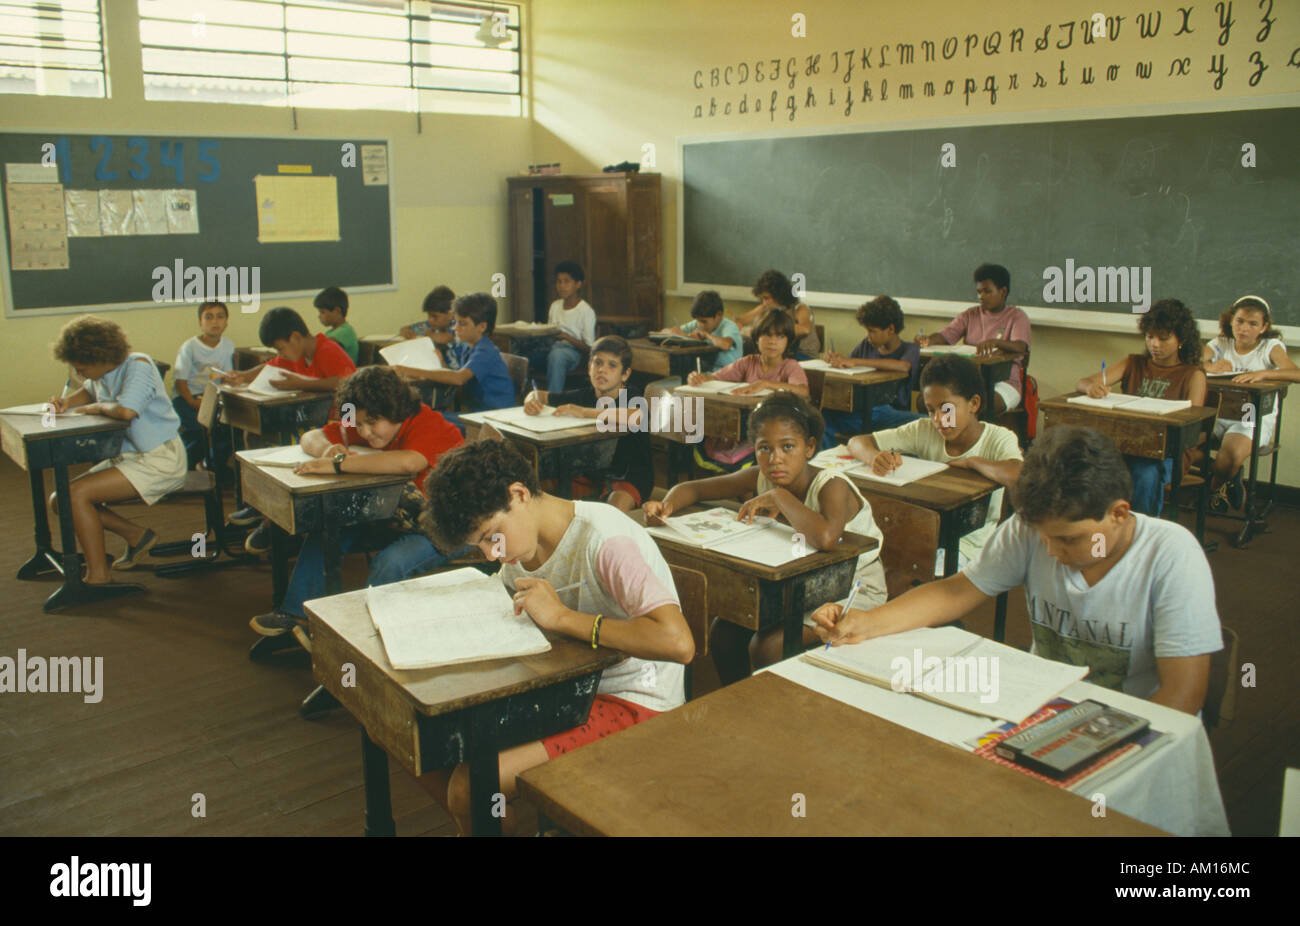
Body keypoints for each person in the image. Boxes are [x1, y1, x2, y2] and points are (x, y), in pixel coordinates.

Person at [813, 426, 1223, 716]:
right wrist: (867, 622)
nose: (1051, 550)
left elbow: (1182, 696)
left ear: (1119, 513)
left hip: (1134, 724)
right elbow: (956, 592)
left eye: (1069, 540)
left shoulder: (1171, 556)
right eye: (1043, 536)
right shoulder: (1031, 529)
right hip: (1041, 708)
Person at [417, 439, 694, 834]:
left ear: (519, 494)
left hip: (635, 701)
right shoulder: (520, 550)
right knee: (431, 748)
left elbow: (678, 643)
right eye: (478, 545)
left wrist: (564, 618)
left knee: (469, 789)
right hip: (565, 690)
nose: (491, 555)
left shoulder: (605, 540)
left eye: (490, 535)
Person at [645, 393, 886, 685]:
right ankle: (742, 701)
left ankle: (777, 713)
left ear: (809, 448)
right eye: (764, 448)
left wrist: (780, 497)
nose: (775, 459)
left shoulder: (831, 486)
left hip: (853, 588)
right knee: (723, 633)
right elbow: (693, 489)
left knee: (768, 646)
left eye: (787, 447)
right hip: (795, 584)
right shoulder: (762, 476)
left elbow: (826, 538)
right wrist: (667, 505)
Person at [248, 366, 466, 643]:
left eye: (371, 423)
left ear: (396, 408)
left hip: (447, 526)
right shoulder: (370, 418)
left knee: (390, 563)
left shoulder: (428, 423)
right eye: (358, 424)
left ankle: (362, 643)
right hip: (395, 516)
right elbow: (311, 437)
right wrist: (327, 450)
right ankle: (298, 614)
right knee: (329, 529)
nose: (364, 432)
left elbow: (409, 461)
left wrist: (338, 465)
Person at [46, 316, 187, 585]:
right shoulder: (102, 373)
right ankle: (136, 535)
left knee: (76, 495)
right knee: (60, 499)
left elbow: (126, 411)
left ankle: (98, 576)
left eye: (81, 367)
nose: (78, 373)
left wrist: (98, 408)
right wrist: (65, 403)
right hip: (131, 456)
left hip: (160, 458)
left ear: (100, 357)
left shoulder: (139, 366)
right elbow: (88, 392)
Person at [847, 354, 1022, 569]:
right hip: (928, 532)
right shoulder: (925, 430)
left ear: (974, 404)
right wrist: (874, 457)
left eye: (946, 409)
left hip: (971, 545)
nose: (939, 419)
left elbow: (1019, 474)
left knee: (909, 568)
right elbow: (857, 441)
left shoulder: (998, 438)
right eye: (931, 410)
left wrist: (973, 462)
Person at [1074, 298, 1207, 517]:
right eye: (1150, 337)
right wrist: (1091, 387)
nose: (1155, 344)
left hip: (1167, 454)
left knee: (1144, 473)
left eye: (1163, 339)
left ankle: (1141, 531)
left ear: (1181, 339)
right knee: (1088, 461)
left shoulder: (1193, 375)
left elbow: (1192, 429)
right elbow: (1082, 382)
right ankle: (1099, 528)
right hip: (1128, 445)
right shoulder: (1133, 363)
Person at [522, 336, 653, 512]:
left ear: (625, 374)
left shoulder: (632, 396)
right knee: (534, 491)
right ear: (588, 367)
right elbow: (540, 395)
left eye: (612, 365)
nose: (602, 370)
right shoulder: (584, 395)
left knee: (614, 509)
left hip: (629, 477)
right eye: (597, 363)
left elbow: (636, 416)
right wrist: (530, 399)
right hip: (589, 475)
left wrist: (585, 412)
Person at [1201, 295, 1299, 512]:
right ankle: (1230, 476)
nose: (1244, 328)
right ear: (1231, 320)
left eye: (1253, 323)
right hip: (1218, 412)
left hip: (1250, 416)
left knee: (1232, 454)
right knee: (1184, 441)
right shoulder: (1221, 342)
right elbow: (1192, 359)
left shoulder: (1270, 346)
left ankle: (1212, 487)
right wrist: (1208, 365)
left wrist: (1264, 373)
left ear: (1264, 327)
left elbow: (1296, 373)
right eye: (1239, 321)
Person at [686, 307, 810, 473]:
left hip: (771, 433)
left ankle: (746, 488)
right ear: (757, 338)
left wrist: (766, 384)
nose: (772, 342)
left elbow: (803, 391)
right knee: (702, 429)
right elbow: (716, 377)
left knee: (750, 464)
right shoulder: (748, 362)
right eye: (767, 335)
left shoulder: (790, 366)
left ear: (788, 341)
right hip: (742, 429)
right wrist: (699, 378)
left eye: (780, 336)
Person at [916, 263, 1031, 416]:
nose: (981, 297)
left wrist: (996, 342)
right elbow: (946, 335)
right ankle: (947, 436)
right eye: (979, 292)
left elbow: (1021, 346)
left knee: (979, 406)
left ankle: (962, 436)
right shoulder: (970, 315)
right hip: (968, 381)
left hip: (1004, 383)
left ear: (1003, 292)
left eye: (987, 291)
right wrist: (928, 339)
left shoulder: (1016, 316)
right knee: (925, 400)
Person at [393, 292, 515, 432]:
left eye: (462, 323)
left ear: (481, 326)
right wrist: (442, 364)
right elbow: (458, 376)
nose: (455, 328)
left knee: (427, 420)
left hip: (496, 421)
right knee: (425, 415)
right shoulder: (469, 347)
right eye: (456, 322)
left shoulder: (485, 351)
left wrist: (407, 370)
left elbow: (458, 379)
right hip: (478, 415)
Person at [822, 294, 922, 442]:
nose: (867, 336)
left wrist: (854, 361)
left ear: (891, 329)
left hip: (889, 411)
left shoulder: (910, 349)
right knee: (821, 416)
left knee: (928, 423)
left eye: (872, 331)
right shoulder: (866, 345)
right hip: (861, 411)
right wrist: (837, 360)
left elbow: (903, 366)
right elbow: (848, 365)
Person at [172, 300, 234, 472]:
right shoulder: (189, 347)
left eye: (220, 317)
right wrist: (192, 402)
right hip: (186, 398)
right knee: (198, 431)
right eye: (209, 317)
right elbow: (180, 381)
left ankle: (210, 465)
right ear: (200, 323)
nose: (215, 322)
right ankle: (183, 468)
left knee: (228, 430)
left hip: (211, 398)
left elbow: (226, 378)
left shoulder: (228, 345)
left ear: (226, 323)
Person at [735, 269, 820, 358]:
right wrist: (738, 325)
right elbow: (739, 321)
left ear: (778, 295)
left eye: (766, 298)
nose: (764, 302)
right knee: (746, 345)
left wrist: (759, 330)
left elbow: (804, 329)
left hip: (803, 355)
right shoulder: (767, 307)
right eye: (762, 299)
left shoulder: (800, 308)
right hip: (781, 352)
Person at [544, 261, 596, 394]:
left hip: (573, 353)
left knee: (557, 356)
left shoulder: (586, 311)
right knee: (524, 354)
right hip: (552, 346)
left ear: (578, 284)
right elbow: (550, 331)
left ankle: (553, 400)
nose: (561, 286)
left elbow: (589, 347)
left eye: (566, 281)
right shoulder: (555, 306)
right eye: (558, 282)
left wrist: (566, 337)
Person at [668, 290, 742, 370]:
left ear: (719, 315)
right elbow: (670, 331)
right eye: (698, 321)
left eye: (704, 321)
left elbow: (727, 344)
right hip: (708, 372)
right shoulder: (699, 322)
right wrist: (687, 336)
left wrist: (707, 335)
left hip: (728, 375)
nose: (700, 325)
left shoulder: (730, 326)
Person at [399, 286, 464, 369]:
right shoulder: (433, 324)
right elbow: (405, 329)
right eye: (428, 315)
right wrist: (407, 332)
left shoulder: (458, 325)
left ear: (450, 314)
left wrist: (427, 335)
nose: (430, 320)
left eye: (435, 316)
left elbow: (445, 338)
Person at [314, 286, 359, 364]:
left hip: (344, 374)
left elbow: (324, 351)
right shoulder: (329, 332)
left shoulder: (345, 331)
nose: (319, 316)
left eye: (322, 312)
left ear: (337, 311)